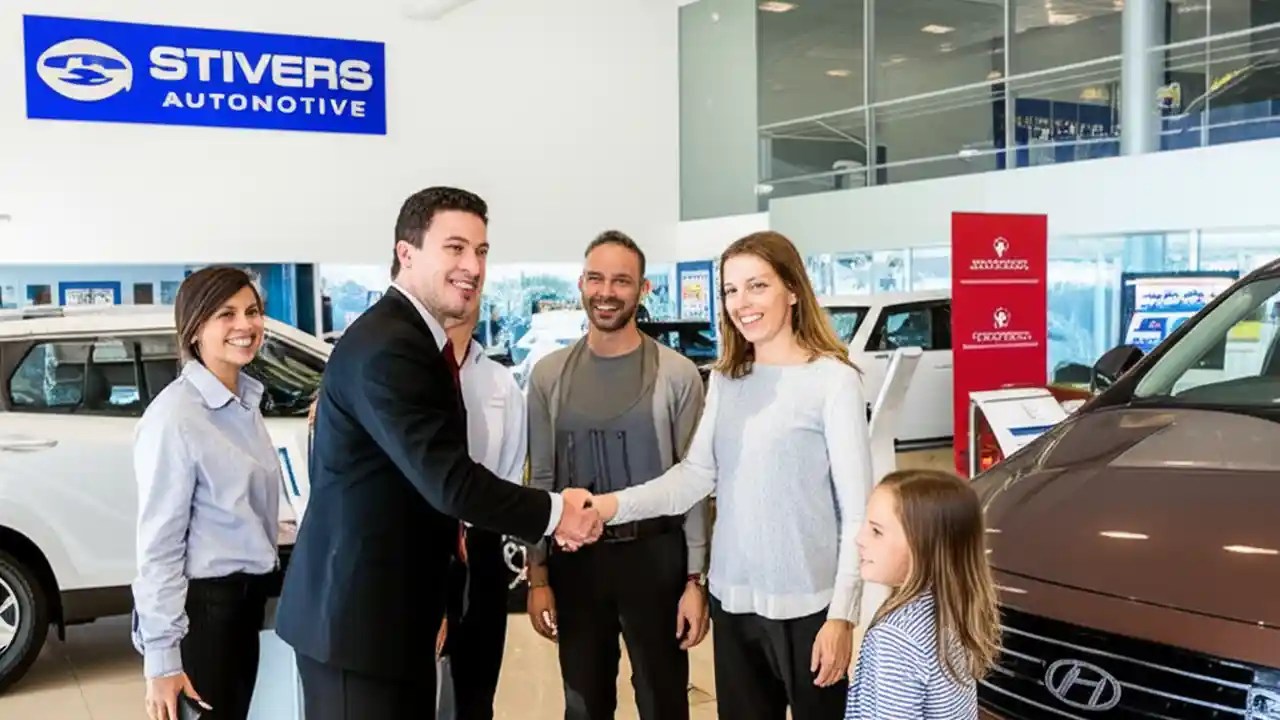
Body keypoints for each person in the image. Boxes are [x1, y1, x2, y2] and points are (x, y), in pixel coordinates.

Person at [275, 186, 603, 720]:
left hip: (386, 617)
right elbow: (450, 482)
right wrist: (557, 512)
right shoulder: (391, 346)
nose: (472, 266)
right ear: (407, 253)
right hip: (356, 626)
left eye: (481, 251)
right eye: (454, 248)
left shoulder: (414, 341)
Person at [588, 230, 874, 720]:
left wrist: (843, 616)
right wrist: (608, 506)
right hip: (734, 603)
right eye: (731, 290)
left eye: (757, 286)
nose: (742, 303)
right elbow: (695, 476)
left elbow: (857, 513)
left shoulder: (834, 381)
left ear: (791, 290)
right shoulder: (726, 379)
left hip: (810, 608)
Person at [524, 231, 710, 720]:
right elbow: (541, 477)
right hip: (576, 564)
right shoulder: (547, 376)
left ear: (642, 289)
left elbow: (693, 486)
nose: (607, 292)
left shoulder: (677, 375)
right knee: (583, 704)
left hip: (657, 562)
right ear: (581, 283)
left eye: (622, 281)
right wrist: (538, 575)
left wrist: (696, 580)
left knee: (664, 699)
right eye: (597, 278)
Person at [132, 266, 282, 720]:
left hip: (248, 607)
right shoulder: (177, 417)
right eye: (226, 314)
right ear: (196, 328)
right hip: (206, 616)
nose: (246, 325)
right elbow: (158, 547)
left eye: (252, 311)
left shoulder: (242, 402)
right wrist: (162, 659)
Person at [843, 469, 1001, 720]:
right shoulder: (954, 605)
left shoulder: (895, 638)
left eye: (877, 531)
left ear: (922, 547)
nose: (859, 538)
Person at [435, 304, 529, 720]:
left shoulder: (498, 382)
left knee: (477, 684)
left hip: (481, 542)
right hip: (420, 543)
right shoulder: (405, 374)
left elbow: (510, 467)